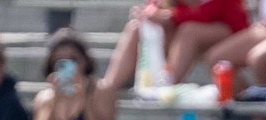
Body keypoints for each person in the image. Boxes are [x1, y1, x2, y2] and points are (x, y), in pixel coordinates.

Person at [104, 0, 251, 90]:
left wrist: (172, 16)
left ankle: (166, 84)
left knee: (189, 30)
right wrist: (148, 14)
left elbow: (222, 11)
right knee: (137, 26)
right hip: (182, 28)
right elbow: (154, 5)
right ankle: (108, 86)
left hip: (229, 31)